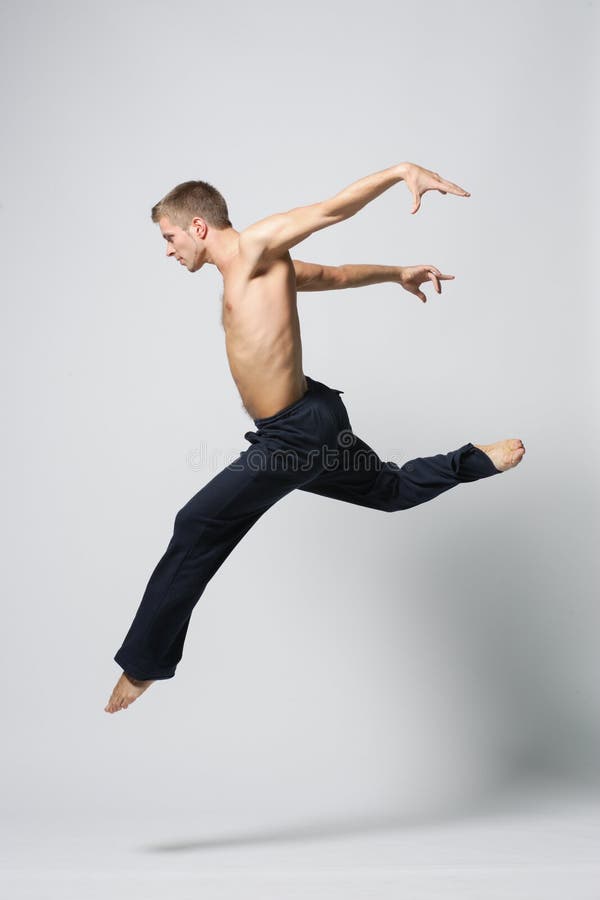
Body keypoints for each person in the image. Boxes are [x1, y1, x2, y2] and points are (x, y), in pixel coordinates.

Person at [105, 161, 525, 714]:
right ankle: (476, 461)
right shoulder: (261, 270)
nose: (168, 249)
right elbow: (335, 275)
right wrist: (396, 272)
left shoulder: (255, 247)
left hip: (293, 440)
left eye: (169, 237)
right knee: (390, 492)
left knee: (197, 524)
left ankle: (143, 665)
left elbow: (332, 209)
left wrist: (401, 172)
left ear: (198, 227)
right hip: (313, 419)